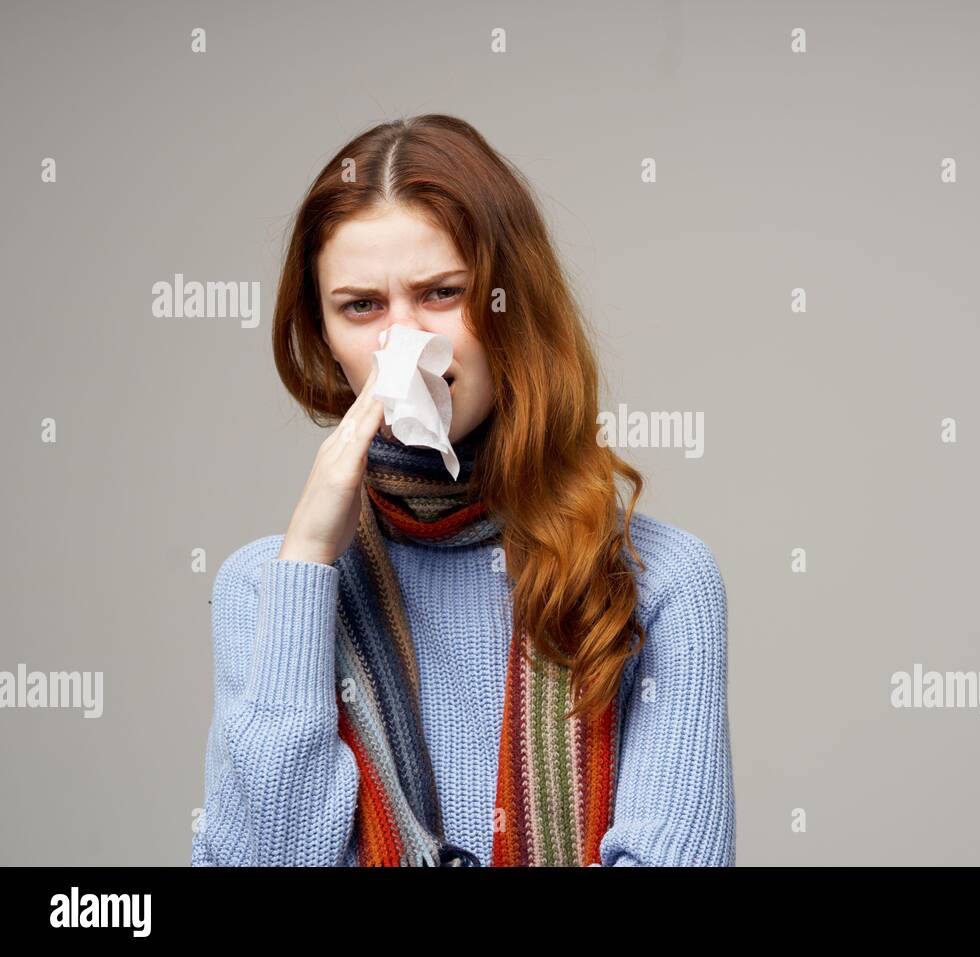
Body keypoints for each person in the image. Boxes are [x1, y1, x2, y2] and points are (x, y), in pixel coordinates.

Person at [191, 115, 735, 866]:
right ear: (322, 334)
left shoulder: (660, 582)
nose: (403, 343)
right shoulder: (268, 592)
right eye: (362, 306)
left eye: (442, 294)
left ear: (514, 310)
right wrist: (309, 561)